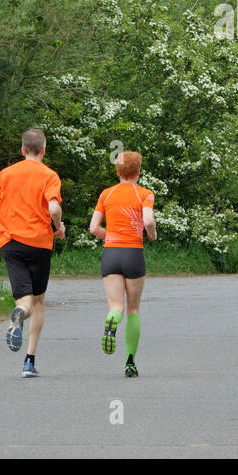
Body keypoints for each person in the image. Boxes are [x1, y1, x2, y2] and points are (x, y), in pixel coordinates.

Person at [0, 128, 65, 378]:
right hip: (39, 242)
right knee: (38, 301)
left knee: (23, 301)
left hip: (11, 242)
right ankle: (29, 361)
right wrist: (58, 226)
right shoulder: (50, 176)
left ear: (22, 150)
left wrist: (8, 216)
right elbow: (53, 207)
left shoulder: (5, 174)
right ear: (44, 150)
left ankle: (18, 315)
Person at [88, 150, 156, 378]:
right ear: (138, 172)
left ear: (117, 171)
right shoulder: (144, 194)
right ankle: (130, 362)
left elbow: (93, 228)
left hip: (111, 253)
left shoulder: (106, 194)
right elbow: (148, 220)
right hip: (133, 253)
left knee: (115, 307)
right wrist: (152, 234)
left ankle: (110, 320)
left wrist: (110, 236)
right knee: (134, 309)